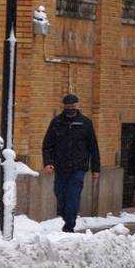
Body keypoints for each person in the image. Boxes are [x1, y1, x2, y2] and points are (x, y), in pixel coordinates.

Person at [42, 94, 101, 232]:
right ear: (64, 107)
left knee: (73, 196)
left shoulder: (85, 123)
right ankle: (67, 216)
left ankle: (69, 225)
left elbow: (93, 147)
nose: (70, 109)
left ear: (78, 106)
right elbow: (47, 145)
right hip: (61, 167)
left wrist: (96, 169)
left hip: (78, 168)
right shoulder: (56, 122)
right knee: (60, 194)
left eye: (73, 106)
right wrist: (48, 162)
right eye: (68, 107)